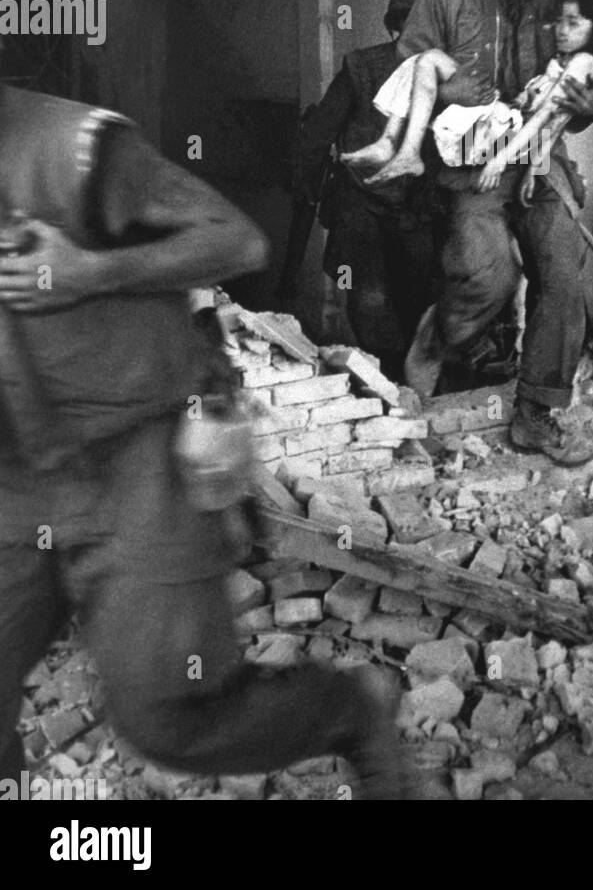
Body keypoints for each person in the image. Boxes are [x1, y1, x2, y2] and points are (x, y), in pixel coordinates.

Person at [0, 79, 410, 799]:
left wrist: (89, 270)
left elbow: (236, 240)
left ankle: (347, 713)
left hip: (137, 463)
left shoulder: (73, 148)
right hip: (14, 483)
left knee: (168, 719)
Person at [398, 0, 593, 466]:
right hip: (473, 173)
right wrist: (474, 98)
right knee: (486, 281)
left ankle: (536, 413)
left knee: (562, 279)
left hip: (540, 169)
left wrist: (581, 101)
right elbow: (407, 75)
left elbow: (583, 94)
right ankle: (431, 353)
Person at [343, 0, 593, 209]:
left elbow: (545, 120)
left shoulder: (584, 63)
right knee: (427, 60)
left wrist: (499, 164)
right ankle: (396, 146)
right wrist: (534, 170)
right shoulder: (564, 61)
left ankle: (402, 148)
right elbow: (554, 124)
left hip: (505, 137)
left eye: (573, 23)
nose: (561, 30)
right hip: (503, 121)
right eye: (560, 21)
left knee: (428, 63)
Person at [288, 0, 439, 380]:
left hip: (394, 206)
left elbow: (316, 138)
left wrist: (307, 185)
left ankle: (389, 382)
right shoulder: (444, 71)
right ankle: (401, 383)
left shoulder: (367, 66)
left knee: (380, 298)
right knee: (408, 299)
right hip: (400, 207)